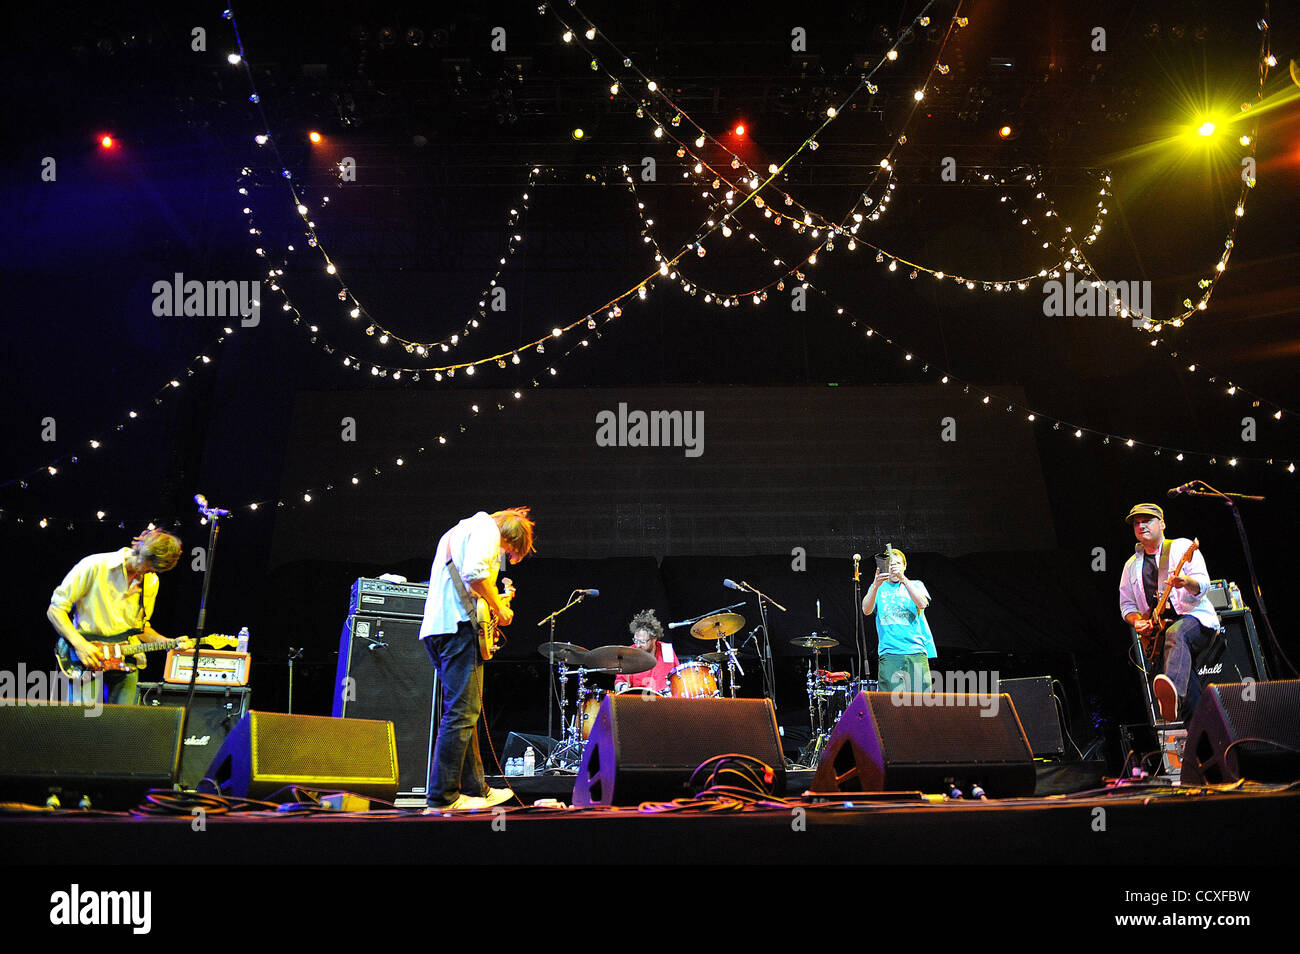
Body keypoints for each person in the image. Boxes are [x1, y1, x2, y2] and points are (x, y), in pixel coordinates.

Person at [420, 507, 535, 811]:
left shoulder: (459, 531)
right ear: (510, 535)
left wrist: (493, 602)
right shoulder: (486, 529)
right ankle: (441, 798)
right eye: (509, 550)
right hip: (456, 629)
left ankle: (477, 790)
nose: (505, 555)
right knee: (461, 713)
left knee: (464, 711)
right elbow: (475, 574)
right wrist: (499, 607)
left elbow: (469, 583)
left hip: (439, 629)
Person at [47, 529, 190, 705]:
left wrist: (169, 642)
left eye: (154, 570)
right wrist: (80, 644)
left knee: (122, 725)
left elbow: (140, 628)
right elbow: (55, 610)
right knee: (82, 723)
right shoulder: (94, 565)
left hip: (126, 660)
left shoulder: (151, 581)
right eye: (147, 566)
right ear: (141, 550)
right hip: (88, 657)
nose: (148, 572)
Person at [1118, 503, 1220, 723]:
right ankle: (1203, 744)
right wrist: (1136, 622)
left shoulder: (1182, 547)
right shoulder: (1130, 566)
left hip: (1195, 621)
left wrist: (1186, 582)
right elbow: (1127, 606)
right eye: (1136, 523)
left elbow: (1203, 583)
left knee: (1177, 633)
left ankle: (1172, 688)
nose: (1140, 525)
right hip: (1160, 637)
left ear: (1162, 524)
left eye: (1147, 520)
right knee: (1192, 702)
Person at [862, 547, 935, 692]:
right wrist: (875, 585)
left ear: (904, 566)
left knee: (920, 703)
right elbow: (866, 610)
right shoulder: (879, 587)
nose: (893, 567)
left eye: (897, 564)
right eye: (890, 564)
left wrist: (904, 580)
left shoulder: (916, 584)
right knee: (890, 705)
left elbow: (922, 604)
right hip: (889, 653)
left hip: (915, 652)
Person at [614, 609, 677, 694]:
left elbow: (678, 676)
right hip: (639, 701)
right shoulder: (628, 653)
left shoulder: (666, 650)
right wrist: (622, 687)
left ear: (654, 639)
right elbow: (619, 682)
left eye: (642, 641)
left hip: (664, 700)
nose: (638, 645)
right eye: (636, 640)